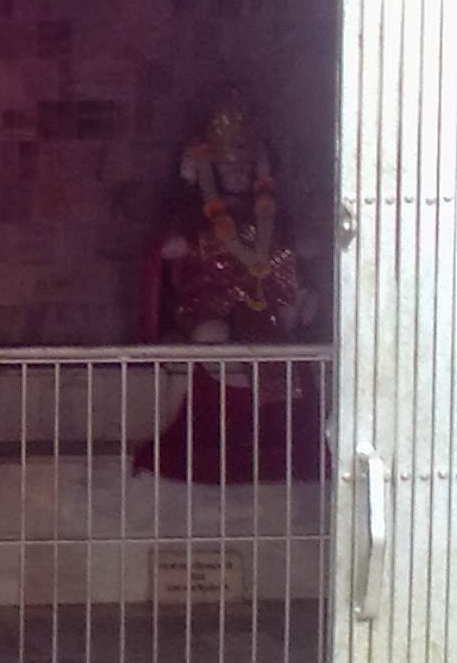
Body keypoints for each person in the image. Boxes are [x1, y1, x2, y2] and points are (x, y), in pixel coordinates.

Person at [135, 88, 325, 483]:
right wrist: (190, 245)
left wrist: (295, 254)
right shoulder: (194, 211)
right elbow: (169, 247)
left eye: (244, 165)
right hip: (209, 305)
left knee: (279, 331)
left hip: (266, 304)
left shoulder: (272, 213)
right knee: (213, 336)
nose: (237, 173)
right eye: (227, 166)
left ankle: (275, 432)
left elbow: (289, 246)